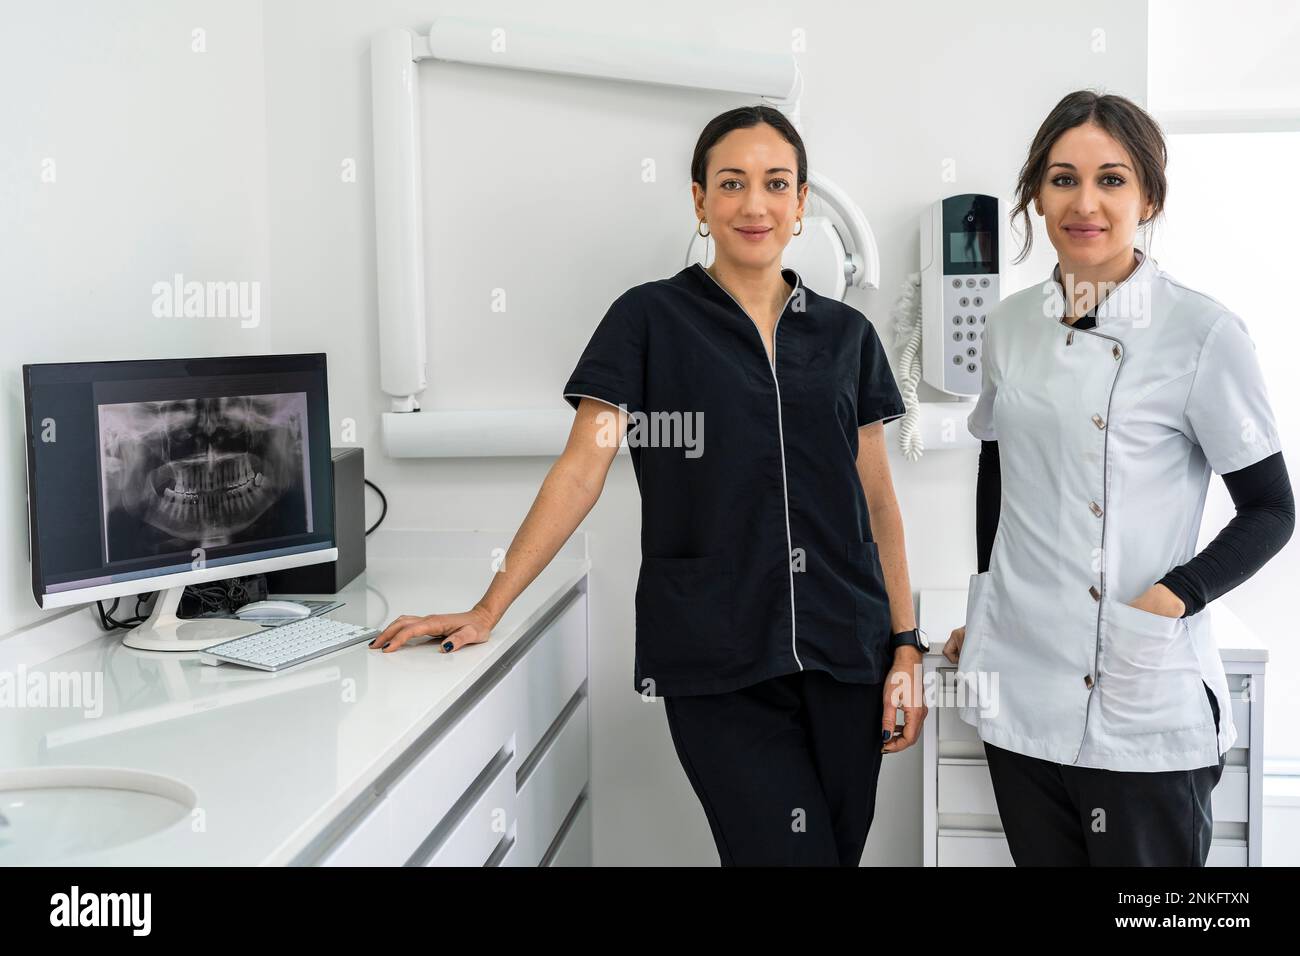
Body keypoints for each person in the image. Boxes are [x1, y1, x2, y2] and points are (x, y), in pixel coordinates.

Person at [370, 105, 927, 866]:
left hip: (848, 652)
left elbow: (878, 502)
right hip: (717, 656)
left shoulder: (847, 337)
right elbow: (581, 469)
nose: (754, 205)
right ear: (699, 200)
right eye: (731, 184)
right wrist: (490, 604)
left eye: (776, 184)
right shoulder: (649, 320)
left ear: (801, 205)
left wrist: (905, 646)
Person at [944, 90, 1294, 866]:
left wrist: (1170, 602)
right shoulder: (1008, 326)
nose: (1086, 202)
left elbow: (1272, 509)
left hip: (1145, 702)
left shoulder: (1201, 333)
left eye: (1112, 179)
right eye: (1063, 179)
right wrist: (986, 600)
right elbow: (998, 465)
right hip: (1024, 682)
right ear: (1036, 194)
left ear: (1149, 196)